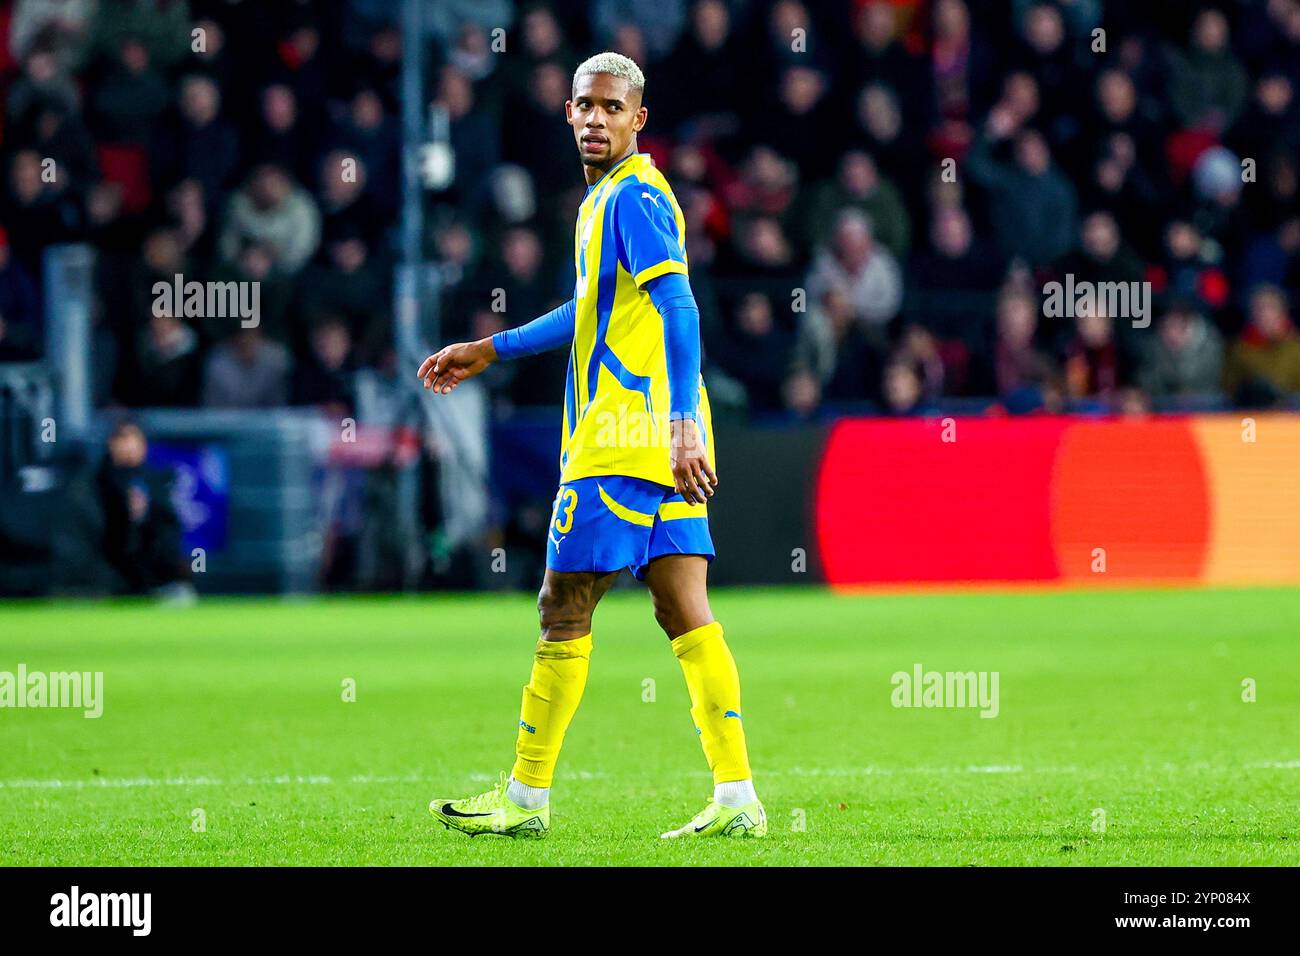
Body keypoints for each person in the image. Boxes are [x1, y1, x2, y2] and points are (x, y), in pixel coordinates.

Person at [416, 52, 764, 841]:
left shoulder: (634, 196)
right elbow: (593, 310)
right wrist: (492, 348)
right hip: (660, 440)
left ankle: (525, 801)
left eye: (613, 107)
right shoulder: (609, 201)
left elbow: (681, 308)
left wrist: (677, 425)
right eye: (586, 106)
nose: (597, 118)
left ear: (639, 118)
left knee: (560, 607)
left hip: (620, 440)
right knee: (684, 608)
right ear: (568, 113)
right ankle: (738, 795)